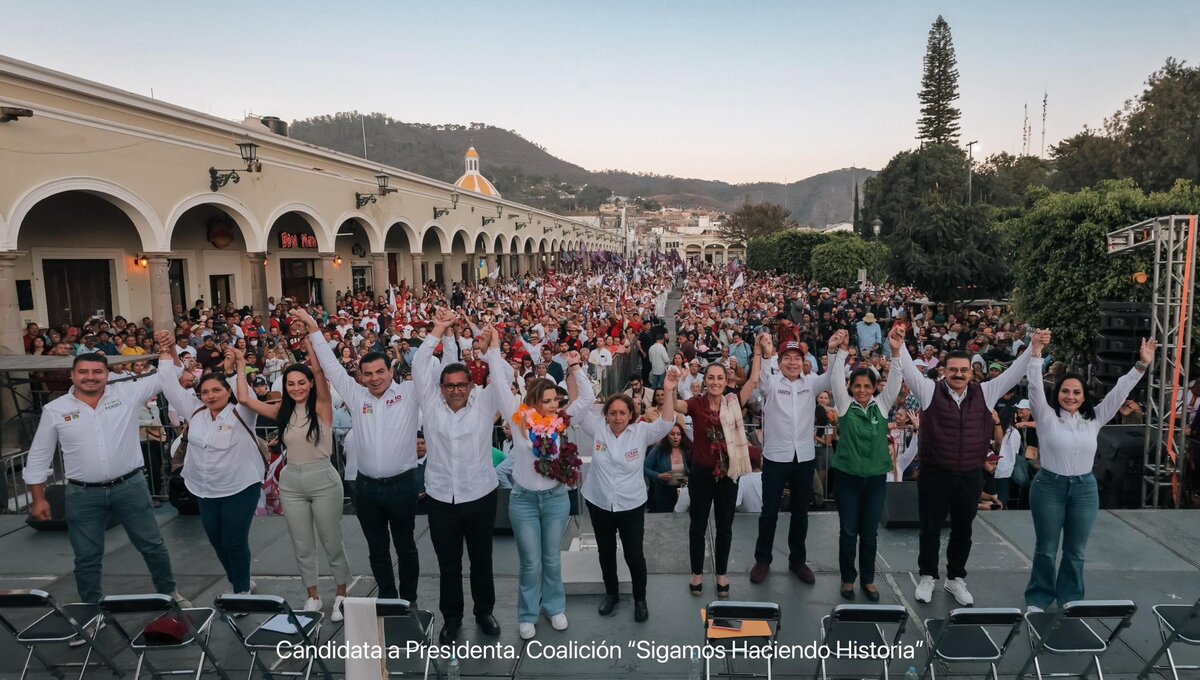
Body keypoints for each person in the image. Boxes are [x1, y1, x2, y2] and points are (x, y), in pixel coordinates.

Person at [25, 351, 187, 612]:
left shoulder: (127, 394)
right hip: (82, 495)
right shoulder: (54, 410)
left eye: (97, 372)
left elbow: (172, 374)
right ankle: (91, 611)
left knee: (153, 545)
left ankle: (170, 594)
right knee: (87, 558)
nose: (90, 377)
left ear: (107, 375)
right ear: (72, 375)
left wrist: (170, 353)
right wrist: (39, 499)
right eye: (84, 372)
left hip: (130, 487)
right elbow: (39, 455)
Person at [898, 323, 1037, 606]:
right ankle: (927, 576)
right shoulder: (928, 391)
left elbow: (1014, 374)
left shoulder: (985, 392)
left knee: (964, 530)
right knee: (930, 528)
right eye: (953, 370)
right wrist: (898, 346)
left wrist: (1034, 347)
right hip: (935, 474)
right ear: (944, 371)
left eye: (964, 370)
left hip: (969, 475)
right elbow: (909, 372)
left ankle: (954, 579)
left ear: (972, 372)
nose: (959, 374)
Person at [293, 307, 423, 604]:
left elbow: (427, 364)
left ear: (392, 371)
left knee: (405, 547)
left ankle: (409, 600)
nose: (375, 378)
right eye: (368, 374)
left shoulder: (409, 394)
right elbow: (330, 365)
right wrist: (314, 326)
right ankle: (388, 599)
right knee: (376, 549)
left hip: (403, 485)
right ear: (360, 377)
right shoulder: (355, 395)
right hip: (366, 488)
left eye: (380, 372)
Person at [1023, 329, 1155, 612]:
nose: (1070, 396)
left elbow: (1119, 393)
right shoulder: (1046, 418)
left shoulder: (1094, 419)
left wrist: (1141, 365)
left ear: (1084, 397)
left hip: (1084, 490)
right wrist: (1035, 353)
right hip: (1049, 487)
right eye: (1065, 391)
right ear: (1057, 393)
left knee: (1076, 551)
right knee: (1046, 549)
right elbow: (1034, 387)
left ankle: (1070, 597)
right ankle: (1039, 598)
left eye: (1076, 392)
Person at [235, 337, 351, 622]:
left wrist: (311, 339)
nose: (297, 388)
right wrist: (240, 365)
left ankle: (341, 596)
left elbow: (321, 372)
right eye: (291, 383)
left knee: (331, 540)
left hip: (323, 478)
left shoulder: (322, 407)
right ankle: (312, 596)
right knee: (301, 543)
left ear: (310, 384)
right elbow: (243, 399)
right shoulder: (281, 411)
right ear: (284, 387)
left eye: (302, 382)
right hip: (292, 481)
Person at [414, 309, 507, 643]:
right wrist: (438, 330)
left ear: (471, 385)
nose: (455, 390)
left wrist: (491, 348)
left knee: (482, 560)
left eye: (461, 385)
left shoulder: (484, 403)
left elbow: (504, 379)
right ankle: (451, 618)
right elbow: (419, 364)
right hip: (441, 496)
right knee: (448, 564)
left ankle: (484, 611)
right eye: (449, 385)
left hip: (480, 494)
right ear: (440, 387)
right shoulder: (428, 401)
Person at [566, 361, 678, 622]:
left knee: (634, 554)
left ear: (631, 415)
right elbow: (579, 411)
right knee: (605, 552)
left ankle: (640, 599)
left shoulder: (641, 432)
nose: (617, 417)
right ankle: (612, 593)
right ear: (605, 414)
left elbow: (666, 423)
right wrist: (576, 371)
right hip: (600, 502)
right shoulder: (598, 430)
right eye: (612, 413)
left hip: (631, 505)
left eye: (622, 413)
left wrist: (669, 391)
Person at [157, 341, 263, 596]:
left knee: (234, 541)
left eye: (217, 390)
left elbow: (247, 396)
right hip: (204, 490)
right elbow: (169, 384)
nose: (211, 395)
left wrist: (239, 364)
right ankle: (241, 578)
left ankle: (240, 591)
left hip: (240, 487)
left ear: (229, 392)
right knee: (217, 542)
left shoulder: (241, 413)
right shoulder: (195, 412)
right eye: (205, 392)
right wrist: (166, 351)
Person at [675, 337, 765, 599]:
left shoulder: (733, 402)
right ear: (705, 381)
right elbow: (677, 407)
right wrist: (670, 388)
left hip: (728, 475)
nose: (715, 382)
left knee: (725, 526)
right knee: (697, 526)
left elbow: (753, 381)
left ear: (726, 381)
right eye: (711, 377)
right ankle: (697, 573)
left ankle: (721, 573)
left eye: (720, 378)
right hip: (702, 474)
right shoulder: (696, 403)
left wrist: (757, 353)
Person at [499, 364, 577, 640]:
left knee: (552, 560)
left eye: (556, 399)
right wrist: (494, 350)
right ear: (533, 402)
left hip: (555, 499)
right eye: (547, 401)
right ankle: (527, 614)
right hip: (524, 502)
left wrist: (575, 366)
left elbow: (588, 399)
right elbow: (498, 382)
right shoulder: (519, 420)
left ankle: (554, 607)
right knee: (530, 562)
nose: (554, 404)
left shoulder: (562, 421)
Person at [749, 333, 832, 586]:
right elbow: (761, 379)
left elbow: (831, 376)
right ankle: (763, 560)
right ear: (780, 361)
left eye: (797, 358)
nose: (793, 363)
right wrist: (764, 352)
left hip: (804, 458)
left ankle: (797, 560)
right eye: (787, 358)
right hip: (775, 457)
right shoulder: (772, 383)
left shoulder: (811, 384)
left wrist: (836, 350)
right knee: (769, 512)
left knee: (800, 512)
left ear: (804, 361)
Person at [829, 326, 905, 601]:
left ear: (874, 388)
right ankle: (848, 579)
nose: (861, 390)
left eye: (867, 386)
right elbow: (836, 377)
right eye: (857, 386)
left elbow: (895, 381)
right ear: (851, 387)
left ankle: (868, 580)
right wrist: (839, 351)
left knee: (870, 534)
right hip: (847, 479)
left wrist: (896, 353)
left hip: (874, 480)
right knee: (848, 531)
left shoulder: (882, 407)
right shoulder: (844, 405)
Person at [644, 420, 691, 513]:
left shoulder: (688, 449)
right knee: (666, 519)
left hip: (684, 492)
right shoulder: (659, 449)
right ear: (666, 436)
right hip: (664, 492)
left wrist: (689, 477)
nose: (675, 437)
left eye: (678, 434)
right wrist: (659, 476)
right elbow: (645, 468)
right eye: (672, 434)